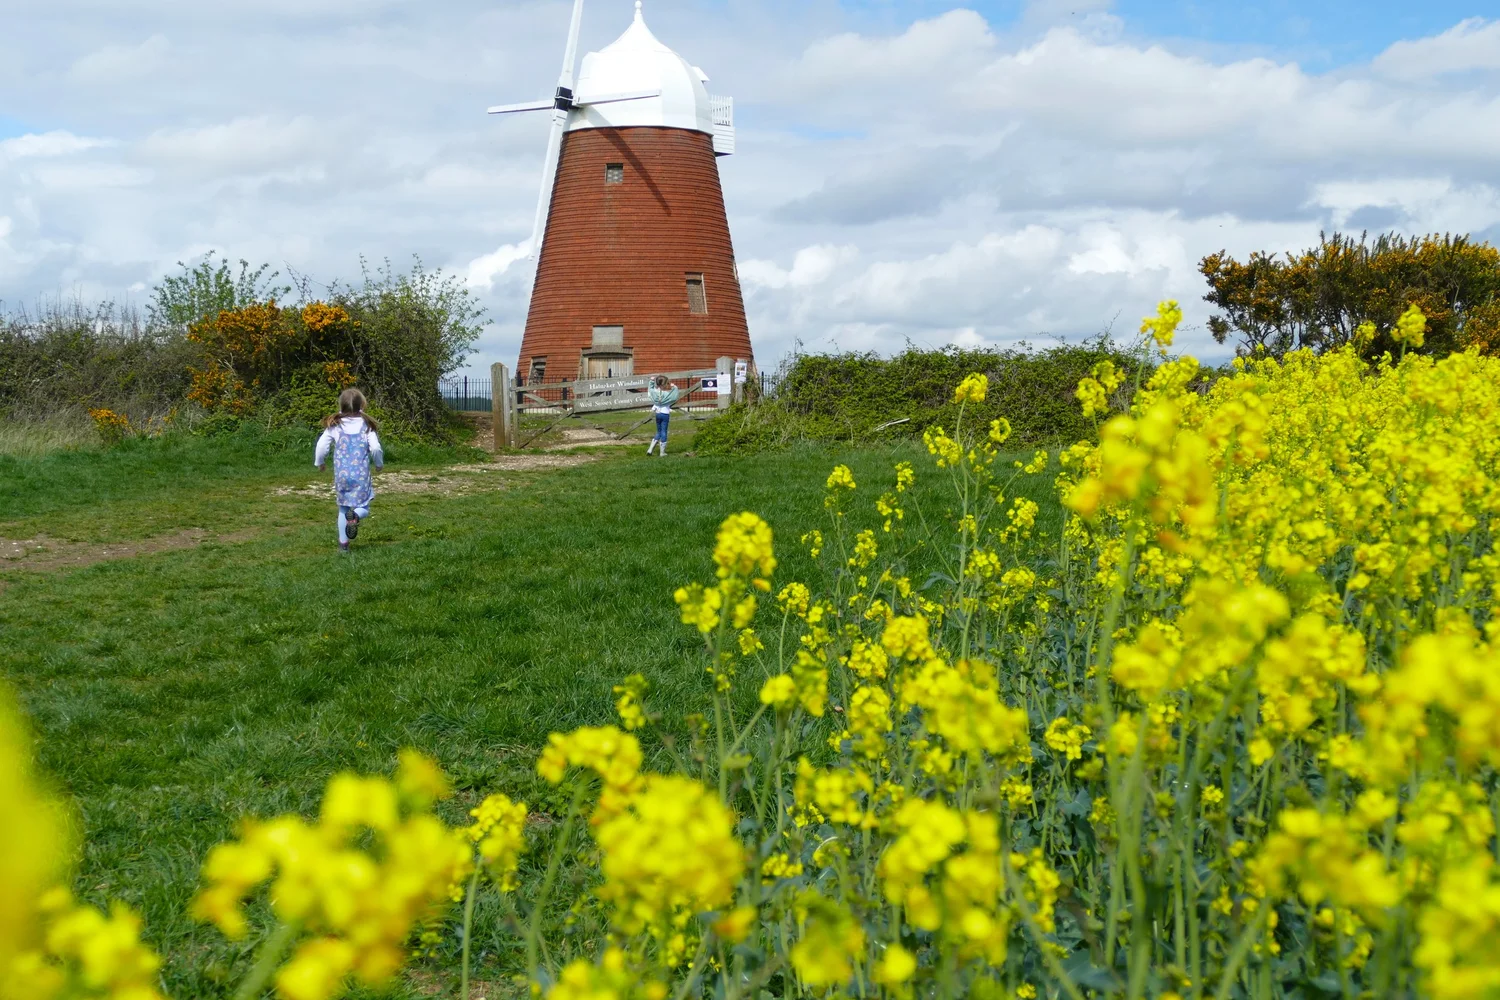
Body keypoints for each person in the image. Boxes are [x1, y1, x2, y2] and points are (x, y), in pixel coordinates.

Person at [314, 388, 384, 552]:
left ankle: (343, 546)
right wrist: (379, 463)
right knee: (364, 507)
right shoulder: (366, 425)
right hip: (361, 476)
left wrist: (320, 462)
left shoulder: (335, 425)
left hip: (342, 476)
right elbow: (375, 448)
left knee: (343, 509)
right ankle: (357, 516)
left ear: (341, 405)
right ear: (362, 405)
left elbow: (321, 446)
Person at [646, 375, 681, 456]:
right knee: (664, 432)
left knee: (658, 431)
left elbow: (650, 390)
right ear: (664, 384)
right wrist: (674, 387)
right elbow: (674, 396)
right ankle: (662, 452)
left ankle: (650, 449)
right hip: (665, 414)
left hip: (657, 413)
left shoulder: (654, 393)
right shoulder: (667, 394)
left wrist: (651, 381)